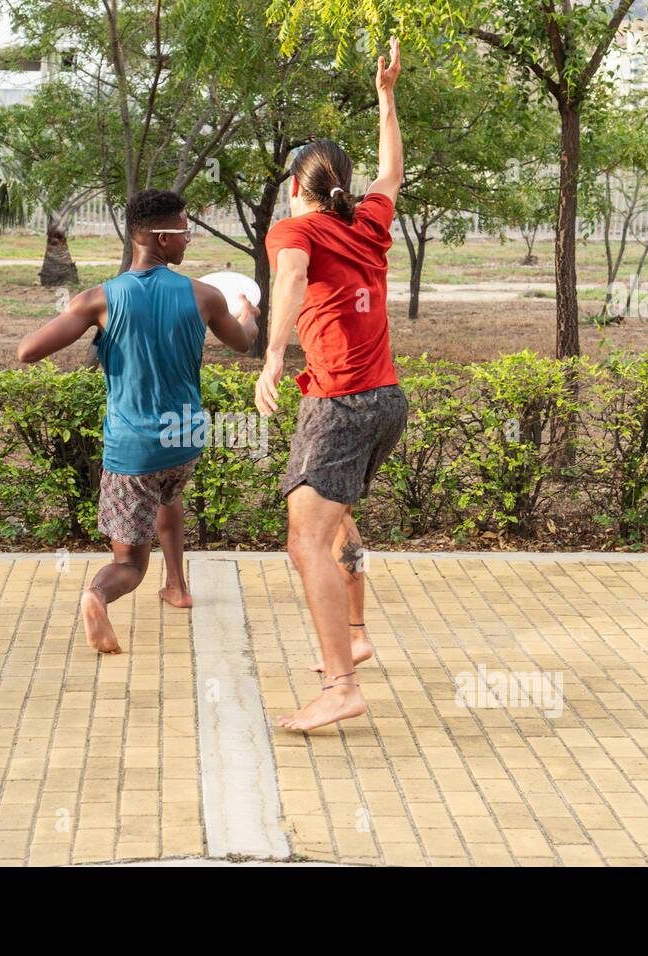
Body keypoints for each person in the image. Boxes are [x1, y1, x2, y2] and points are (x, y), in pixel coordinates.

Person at [18, 188, 260, 653]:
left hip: (133, 449)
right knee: (168, 494)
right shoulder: (204, 295)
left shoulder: (99, 299)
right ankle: (178, 587)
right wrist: (247, 313)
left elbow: (28, 352)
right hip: (184, 441)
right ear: (161, 238)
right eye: (185, 232)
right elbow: (244, 341)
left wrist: (85, 318)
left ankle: (97, 594)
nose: (189, 240)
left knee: (129, 563)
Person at [257, 37, 406, 732]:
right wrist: (385, 98)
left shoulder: (296, 231)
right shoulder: (369, 220)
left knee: (303, 540)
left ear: (296, 187)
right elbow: (393, 174)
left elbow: (287, 280)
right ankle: (357, 629)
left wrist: (272, 356)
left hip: (341, 404)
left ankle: (342, 683)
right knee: (337, 516)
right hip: (385, 402)